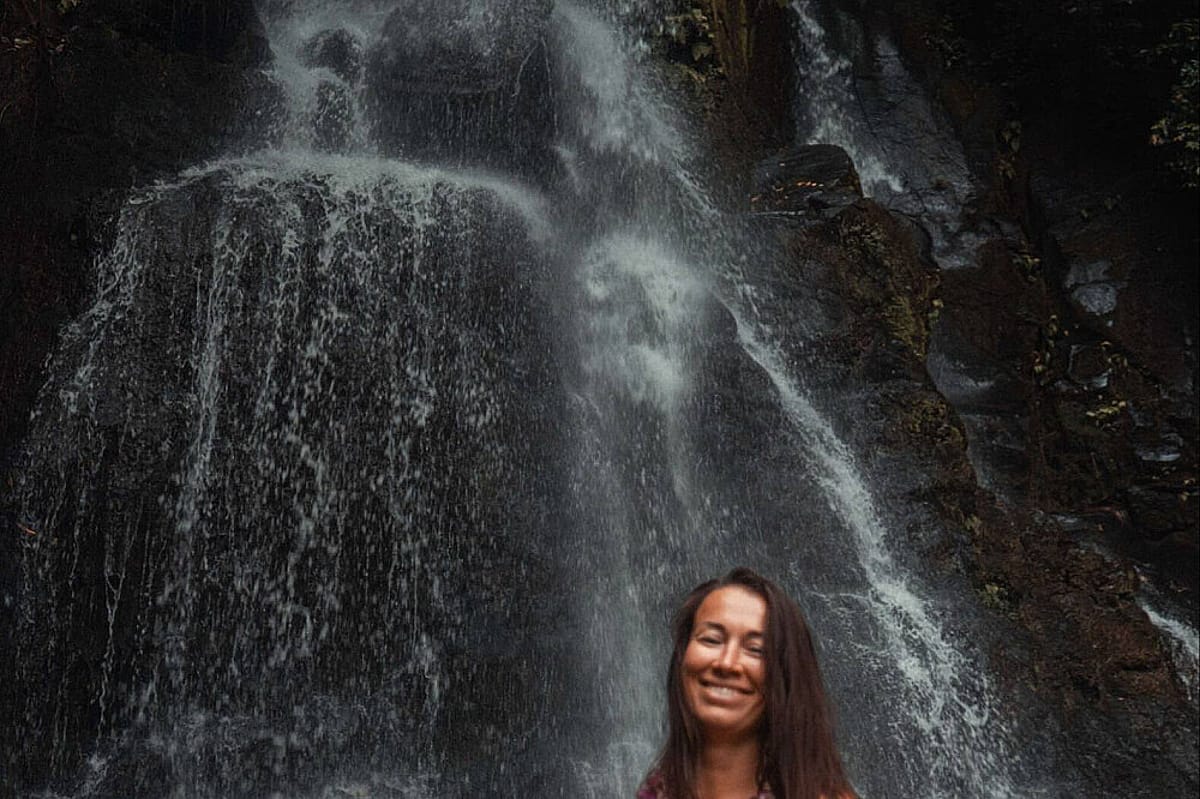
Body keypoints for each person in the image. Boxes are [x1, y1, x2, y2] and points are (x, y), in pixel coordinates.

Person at [638, 567, 856, 799]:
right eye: (711, 640)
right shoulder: (658, 791)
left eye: (755, 650)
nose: (727, 663)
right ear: (682, 656)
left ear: (786, 674)